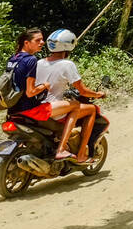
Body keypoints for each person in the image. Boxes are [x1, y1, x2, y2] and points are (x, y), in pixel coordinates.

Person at [36, 28, 106, 164]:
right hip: (53, 110)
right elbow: (83, 91)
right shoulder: (67, 64)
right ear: (69, 46)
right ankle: (80, 154)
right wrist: (98, 94)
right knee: (91, 109)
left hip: (36, 107)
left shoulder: (39, 63)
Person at [6, 28, 54, 123]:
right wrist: (45, 85)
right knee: (74, 106)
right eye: (37, 40)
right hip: (28, 108)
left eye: (42, 39)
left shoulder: (12, 58)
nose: (42, 42)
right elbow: (30, 92)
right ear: (26, 43)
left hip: (12, 109)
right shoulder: (31, 59)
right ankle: (64, 138)